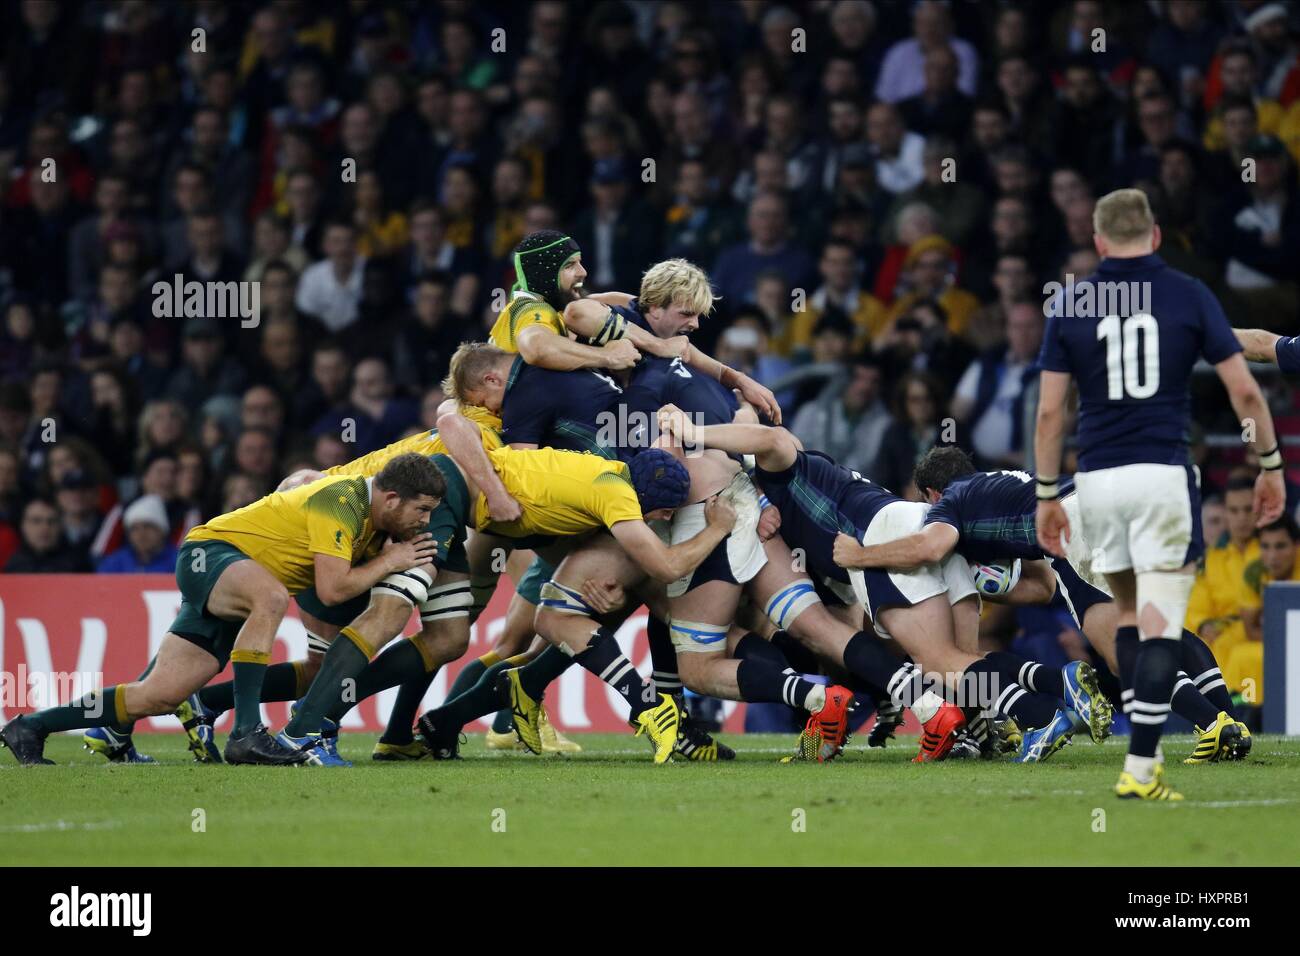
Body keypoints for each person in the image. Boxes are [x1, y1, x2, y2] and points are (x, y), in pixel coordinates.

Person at [1032, 188, 1284, 801]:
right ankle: (1143, 767)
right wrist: (1270, 465)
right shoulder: (1185, 294)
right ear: (1156, 236)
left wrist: (1044, 494)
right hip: (1164, 479)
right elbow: (1246, 394)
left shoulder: (1071, 304)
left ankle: (1154, 759)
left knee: (1125, 616)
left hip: (1097, 485)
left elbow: (1048, 415)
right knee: (1163, 619)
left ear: (1097, 242)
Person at [0, 454, 444, 766]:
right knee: (270, 599)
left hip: (234, 579)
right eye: (421, 510)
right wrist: (389, 562)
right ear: (390, 499)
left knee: (160, 694)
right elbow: (330, 592)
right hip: (210, 553)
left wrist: (384, 556)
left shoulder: (371, 521)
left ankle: (31, 726)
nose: (424, 521)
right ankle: (247, 733)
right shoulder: (342, 500)